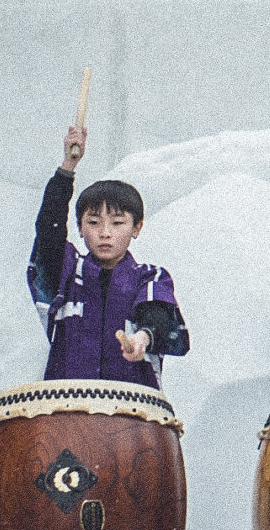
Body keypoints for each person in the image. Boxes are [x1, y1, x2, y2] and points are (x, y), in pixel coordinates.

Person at [28, 122, 189, 387]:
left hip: (132, 412)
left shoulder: (149, 277)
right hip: (68, 408)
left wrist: (143, 338)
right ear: (79, 227)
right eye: (93, 222)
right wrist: (67, 167)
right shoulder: (67, 274)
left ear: (137, 227)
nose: (105, 232)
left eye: (117, 223)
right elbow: (48, 231)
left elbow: (158, 317)